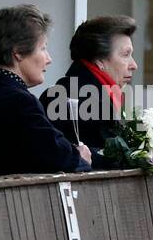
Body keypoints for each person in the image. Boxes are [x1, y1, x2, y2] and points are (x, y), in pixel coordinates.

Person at [0, 5, 92, 177]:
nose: (49, 59)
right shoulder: (19, 102)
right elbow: (60, 157)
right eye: (43, 48)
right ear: (18, 52)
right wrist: (80, 157)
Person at [40, 15, 138, 169]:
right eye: (125, 55)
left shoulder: (101, 95)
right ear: (99, 60)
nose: (134, 65)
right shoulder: (71, 98)